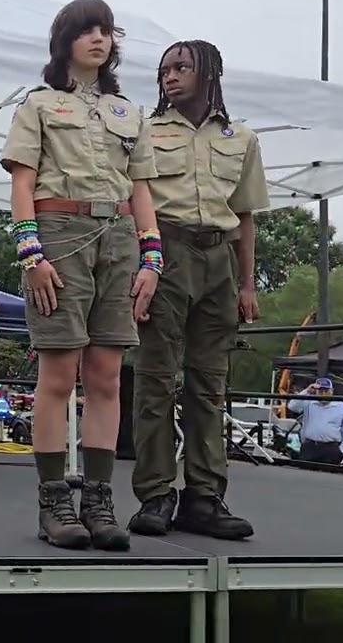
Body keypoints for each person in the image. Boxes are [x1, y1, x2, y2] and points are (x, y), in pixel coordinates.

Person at [0, 0, 159, 552]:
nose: (100, 39)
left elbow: (141, 188)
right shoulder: (39, 104)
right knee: (59, 375)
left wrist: (152, 258)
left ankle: (98, 499)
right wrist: (30, 253)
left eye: (107, 31)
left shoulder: (128, 112)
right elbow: (22, 183)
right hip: (59, 232)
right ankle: (53, 501)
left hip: (117, 237)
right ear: (64, 40)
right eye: (87, 30)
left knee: (108, 377)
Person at [127, 39, 267, 541]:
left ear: (210, 72)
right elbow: (133, 201)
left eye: (182, 67)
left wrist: (247, 283)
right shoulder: (144, 130)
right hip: (165, 251)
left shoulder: (242, 137)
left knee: (209, 385)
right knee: (156, 380)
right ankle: (156, 495)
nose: (170, 76)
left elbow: (245, 215)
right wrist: (143, 261)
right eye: (165, 69)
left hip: (218, 261)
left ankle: (204, 497)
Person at [287, 378, 343, 464]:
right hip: (310, 447)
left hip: (331, 448)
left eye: (326, 391)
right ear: (316, 391)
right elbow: (292, 406)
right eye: (320, 391)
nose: (323, 394)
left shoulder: (341, 407)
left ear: (332, 391)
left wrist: (341, 450)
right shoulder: (309, 402)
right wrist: (307, 391)